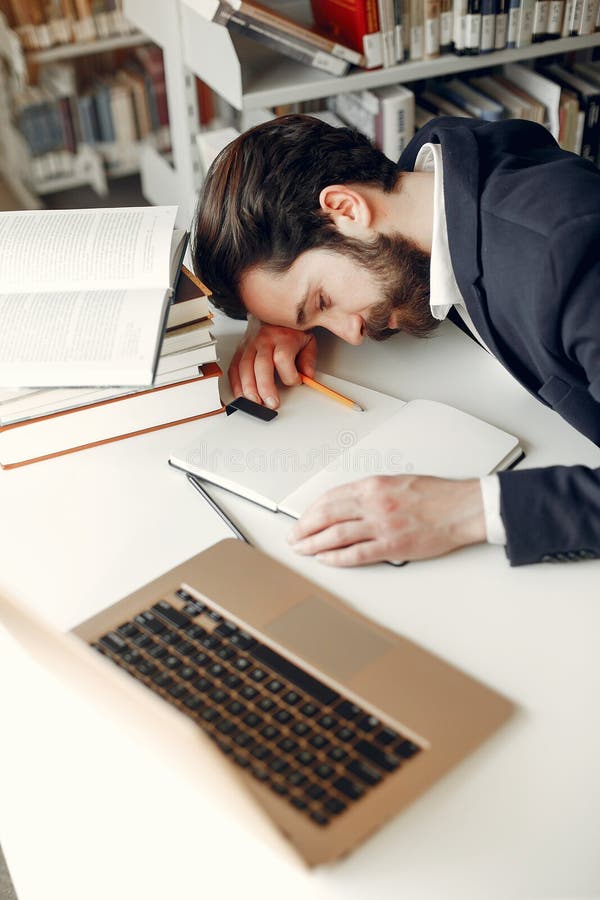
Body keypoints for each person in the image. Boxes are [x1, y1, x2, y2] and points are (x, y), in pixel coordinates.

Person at [191, 113, 600, 568]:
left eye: (323, 300)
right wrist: (280, 318)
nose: (350, 334)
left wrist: (464, 512)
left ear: (346, 208)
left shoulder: (570, 261)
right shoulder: (429, 171)